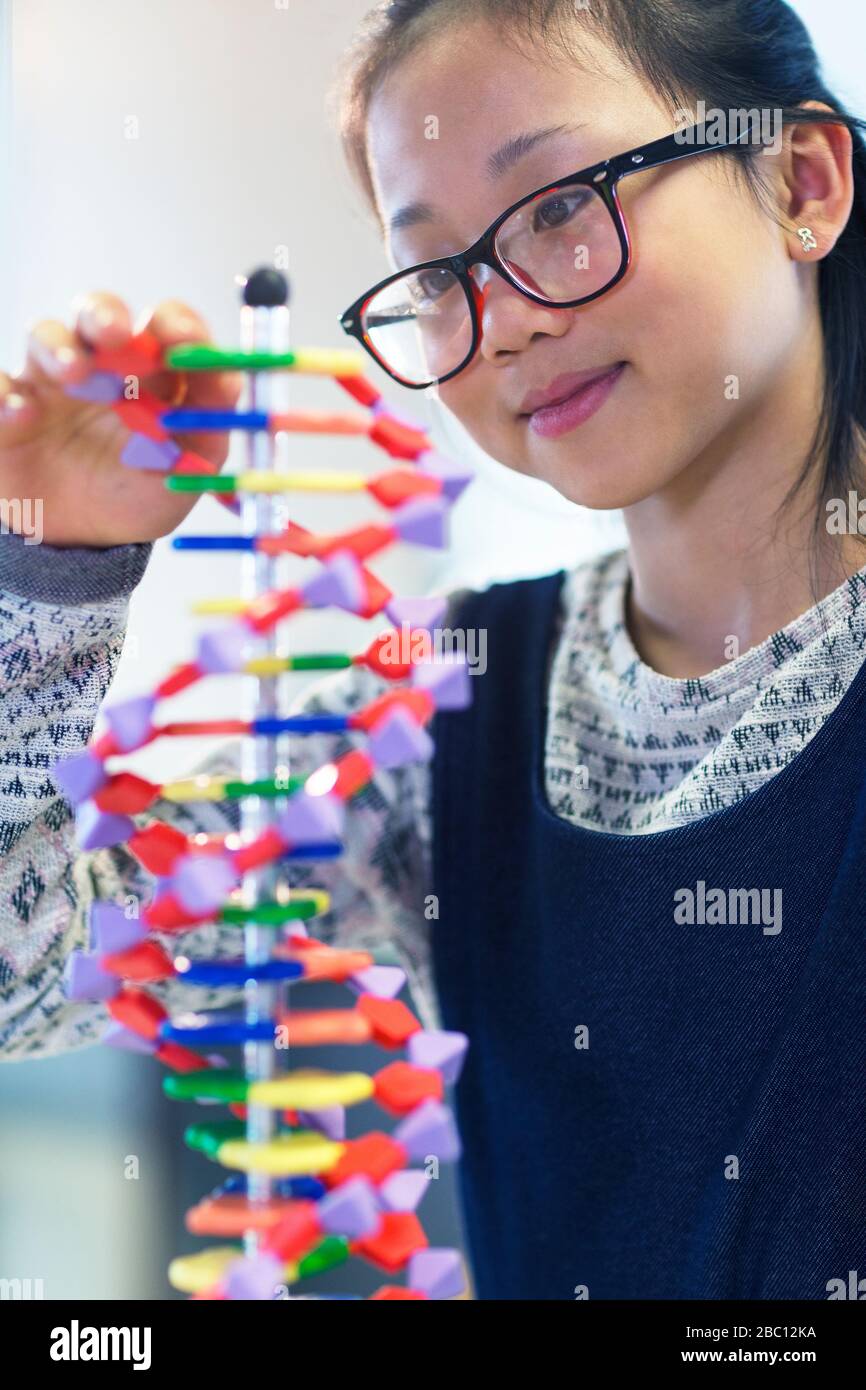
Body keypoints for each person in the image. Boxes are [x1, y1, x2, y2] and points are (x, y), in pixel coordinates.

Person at [2, 0, 865, 1298]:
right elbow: (27, 977)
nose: (501, 321)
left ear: (799, 181)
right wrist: (55, 569)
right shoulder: (432, 720)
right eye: (442, 274)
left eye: (560, 205)